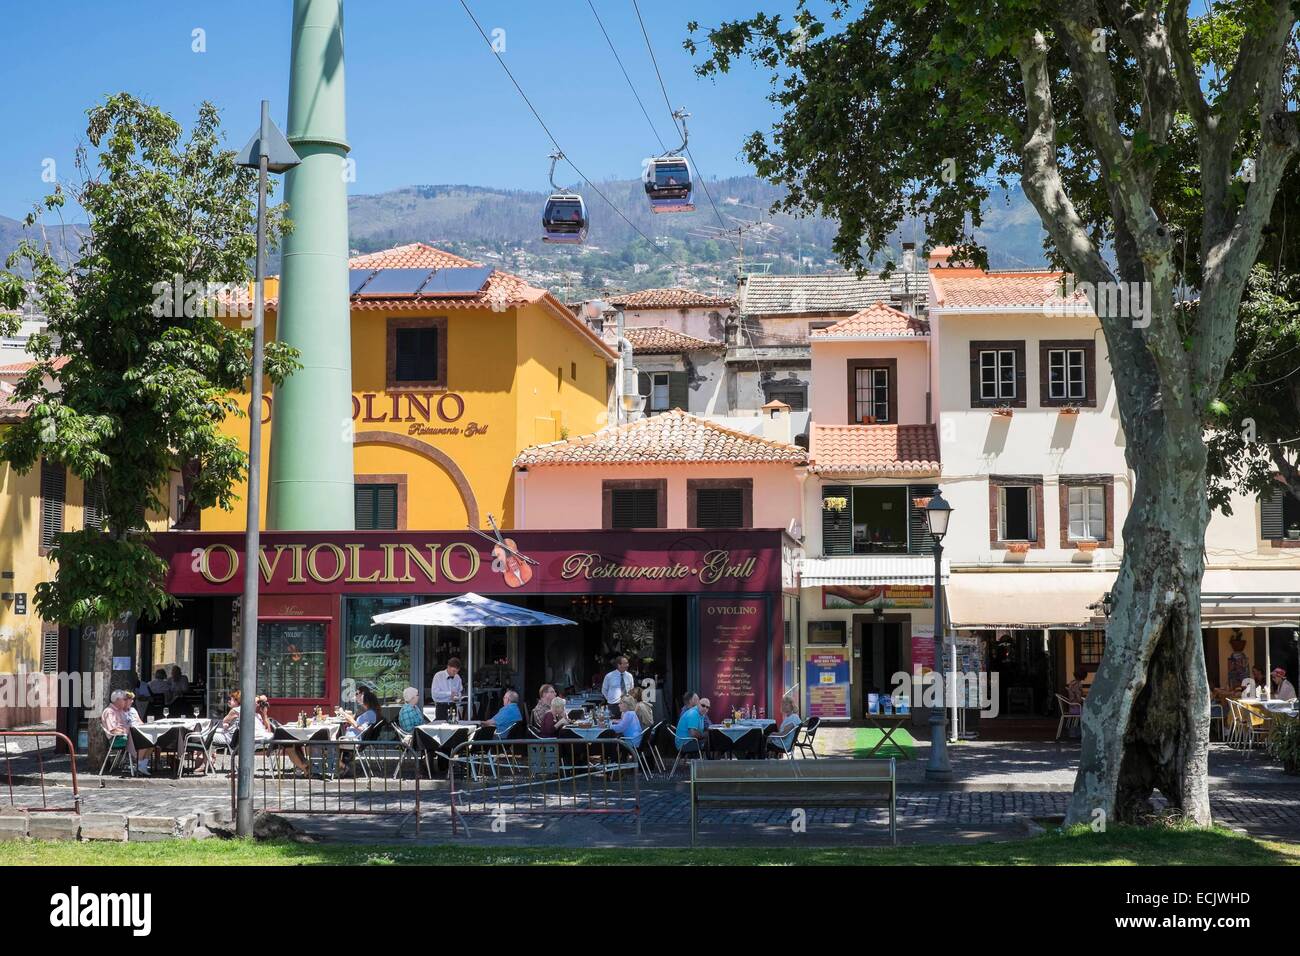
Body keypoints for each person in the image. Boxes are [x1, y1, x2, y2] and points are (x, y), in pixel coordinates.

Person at [102, 689, 154, 775]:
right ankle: (140, 765)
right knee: (145, 741)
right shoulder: (109, 712)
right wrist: (129, 731)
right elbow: (113, 730)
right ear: (117, 700)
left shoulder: (120, 710)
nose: (126, 701)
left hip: (128, 735)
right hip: (118, 739)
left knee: (151, 741)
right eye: (124, 699)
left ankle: (141, 765)